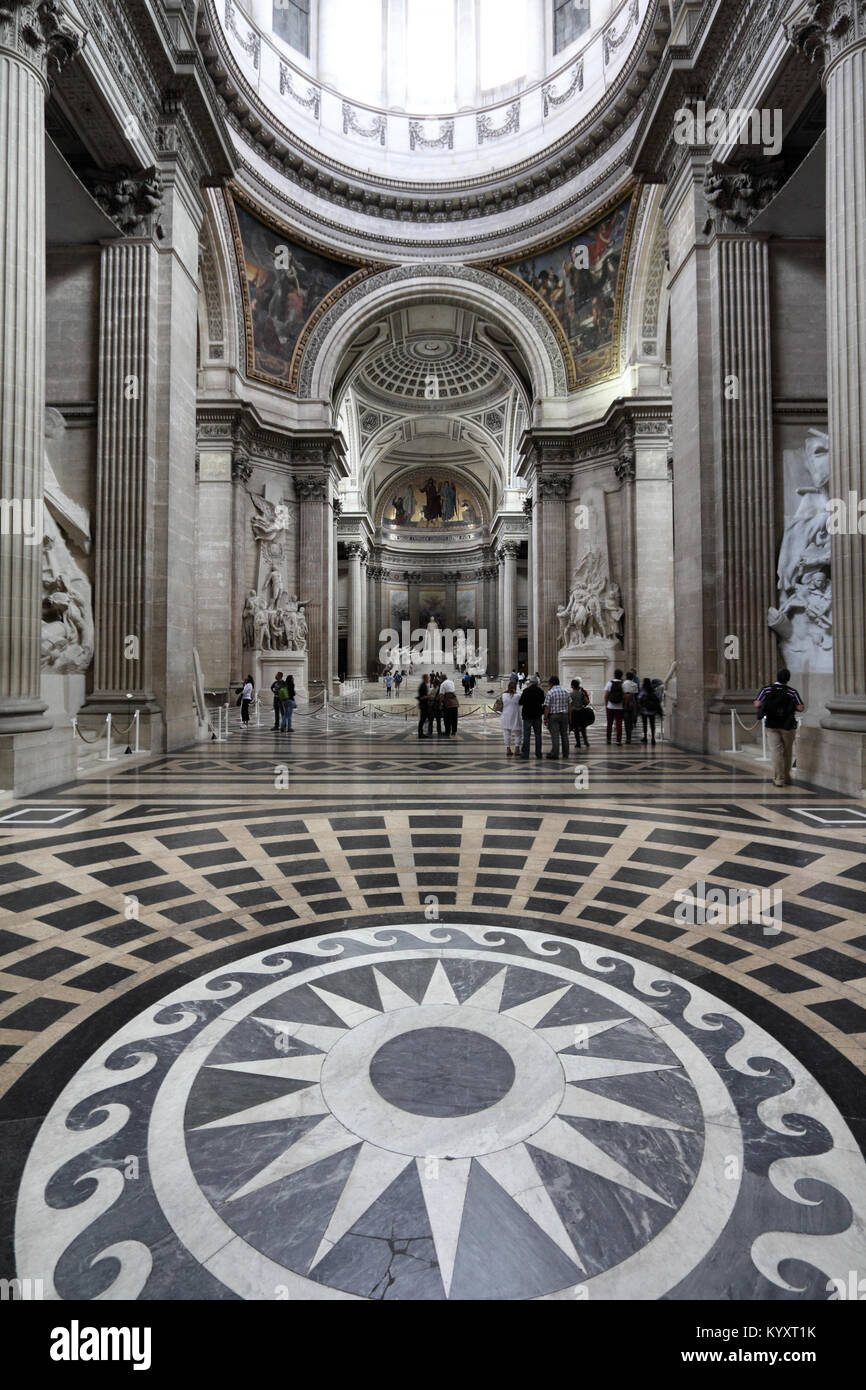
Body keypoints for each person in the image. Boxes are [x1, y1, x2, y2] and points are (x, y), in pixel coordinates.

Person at [755, 667, 805, 787]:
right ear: (788, 679)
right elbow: (801, 707)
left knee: (776, 752)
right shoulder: (791, 692)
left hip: (771, 724)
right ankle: (787, 777)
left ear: (777, 677)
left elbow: (757, 703)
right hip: (788, 725)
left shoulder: (766, 689)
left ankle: (778, 779)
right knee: (787, 752)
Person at [543, 676, 571, 759]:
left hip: (554, 716)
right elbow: (570, 705)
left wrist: (545, 718)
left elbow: (547, 707)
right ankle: (566, 753)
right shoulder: (566, 691)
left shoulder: (550, 692)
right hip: (564, 715)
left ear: (551, 683)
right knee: (564, 735)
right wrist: (570, 716)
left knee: (555, 736)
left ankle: (555, 753)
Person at [519, 675, 545, 758]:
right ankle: (538, 753)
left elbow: (521, 702)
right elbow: (542, 701)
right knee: (538, 734)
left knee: (526, 735)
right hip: (537, 715)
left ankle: (526, 754)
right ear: (537, 683)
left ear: (531, 683)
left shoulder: (526, 691)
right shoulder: (540, 691)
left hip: (527, 715)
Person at [500, 681, 522, 756]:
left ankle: (508, 749)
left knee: (506, 733)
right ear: (515, 687)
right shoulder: (518, 696)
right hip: (515, 715)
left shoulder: (503, 695)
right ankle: (517, 748)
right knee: (518, 733)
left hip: (505, 715)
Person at [638, 677, 662, 744]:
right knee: (652, 724)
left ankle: (645, 737)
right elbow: (659, 698)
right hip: (652, 710)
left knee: (645, 724)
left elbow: (639, 698)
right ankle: (653, 738)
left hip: (644, 710)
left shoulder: (643, 690)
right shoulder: (653, 690)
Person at [604, 668, 625, 745]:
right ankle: (618, 740)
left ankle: (608, 739)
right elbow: (625, 696)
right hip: (620, 707)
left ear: (614, 675)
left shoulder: (609, 683)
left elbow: (606, 695)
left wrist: (606, 704)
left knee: (609, 723)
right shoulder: (623, 684)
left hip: (610, 706)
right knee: (619, 724)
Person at [570, 678, 591, 751]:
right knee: (583, 727)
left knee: (576, 728)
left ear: (572, 686)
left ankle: (578, 743)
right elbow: (587, 702)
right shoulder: (581, 693)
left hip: (574, 713)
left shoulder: (570, 694)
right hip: (581, 711)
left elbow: (569, 705)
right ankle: (586, 741)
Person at [622, 670, 639, 744]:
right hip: (633, 703)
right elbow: (636, 695)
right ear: (632, 678)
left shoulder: (623, 684)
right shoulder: (635, 684)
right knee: (632, 718)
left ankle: (628, 738)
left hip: (625, 703)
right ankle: (630, 732)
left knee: (626, 720)